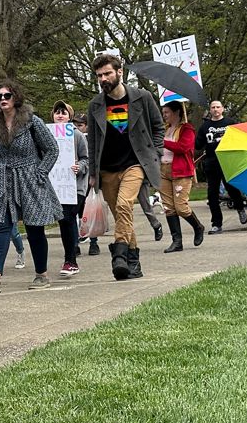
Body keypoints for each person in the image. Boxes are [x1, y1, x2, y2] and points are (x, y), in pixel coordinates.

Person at [85, 53, 164, 280]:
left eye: (108, 73)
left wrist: (155, 153)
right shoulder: (95, 105)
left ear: (120, 72)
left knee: (123, 205)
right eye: (99, 75)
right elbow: (92, 142)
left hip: (135, 163)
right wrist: (93, 173)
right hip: (107, 168)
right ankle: (133, 263)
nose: (103, 78)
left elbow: (158, 127)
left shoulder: (142, 97)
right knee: (122, 215)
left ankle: (118, 254)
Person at [0, 80, 63, 292]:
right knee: (0, 225)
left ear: (15, 97)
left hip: (29, 177)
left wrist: (40, 172)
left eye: (7, 95)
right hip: (2, 179)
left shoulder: (32, 122)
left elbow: (52, 149)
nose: (3, 100)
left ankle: (41, 275)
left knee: (35, 227)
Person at [196, 100, 247, 234]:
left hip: (228, 161)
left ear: (223, 109)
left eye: (218, 107)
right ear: (210, 110)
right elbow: (198, 145)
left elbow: (241, 140)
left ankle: (240, 209)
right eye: (213, 107)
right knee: (212, 194)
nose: (215, 109)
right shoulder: (205, 126)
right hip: (211, 163)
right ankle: (216, 224)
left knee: (232, 189)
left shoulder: (230, 123)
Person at [159, 101, 205, 253]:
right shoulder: (164, 129)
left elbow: (183, 148)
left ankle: (198, 226)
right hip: (163, 170)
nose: (164, 115)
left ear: (177, 112)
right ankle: (176, 242)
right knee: (168, 208)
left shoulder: (187, 129)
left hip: (181, 171)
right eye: (163, 112)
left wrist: (163, 142)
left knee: (181, 207)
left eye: (167, 112)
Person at [51, 101, 87, 277]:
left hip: (76, 186)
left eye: (64, 112)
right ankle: (72, 255)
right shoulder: (46, 134)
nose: (60, 115)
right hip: (55, 187)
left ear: (70, 116)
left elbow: (86, 158)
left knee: (68, 217)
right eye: (57, 112)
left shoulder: (77, 135)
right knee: (65, 221)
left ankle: (71, 261)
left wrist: (79, 166)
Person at [74, 114, 100, 256]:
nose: (77, 128)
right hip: (76, 182)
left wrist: (94, 176)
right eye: (76, 125)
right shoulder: (72, 138)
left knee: (90, 213)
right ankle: (75, 243)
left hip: (88, 180)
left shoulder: (91, 140)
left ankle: (94, 242)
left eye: (80, 125)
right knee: (76, 215)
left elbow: (94, 159)